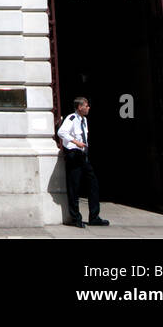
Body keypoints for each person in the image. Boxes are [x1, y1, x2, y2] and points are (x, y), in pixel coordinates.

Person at [57, 96, 110, 228]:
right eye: (86, 105)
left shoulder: (84, 120)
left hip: (82, 155)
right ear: (80, 107)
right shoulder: (72, 118)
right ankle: (76, 218)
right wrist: (76, 142)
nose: (88, 108)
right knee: (74, 186)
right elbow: (61, 132)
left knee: (93, 183)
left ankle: (94, 216)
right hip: (74, 155)